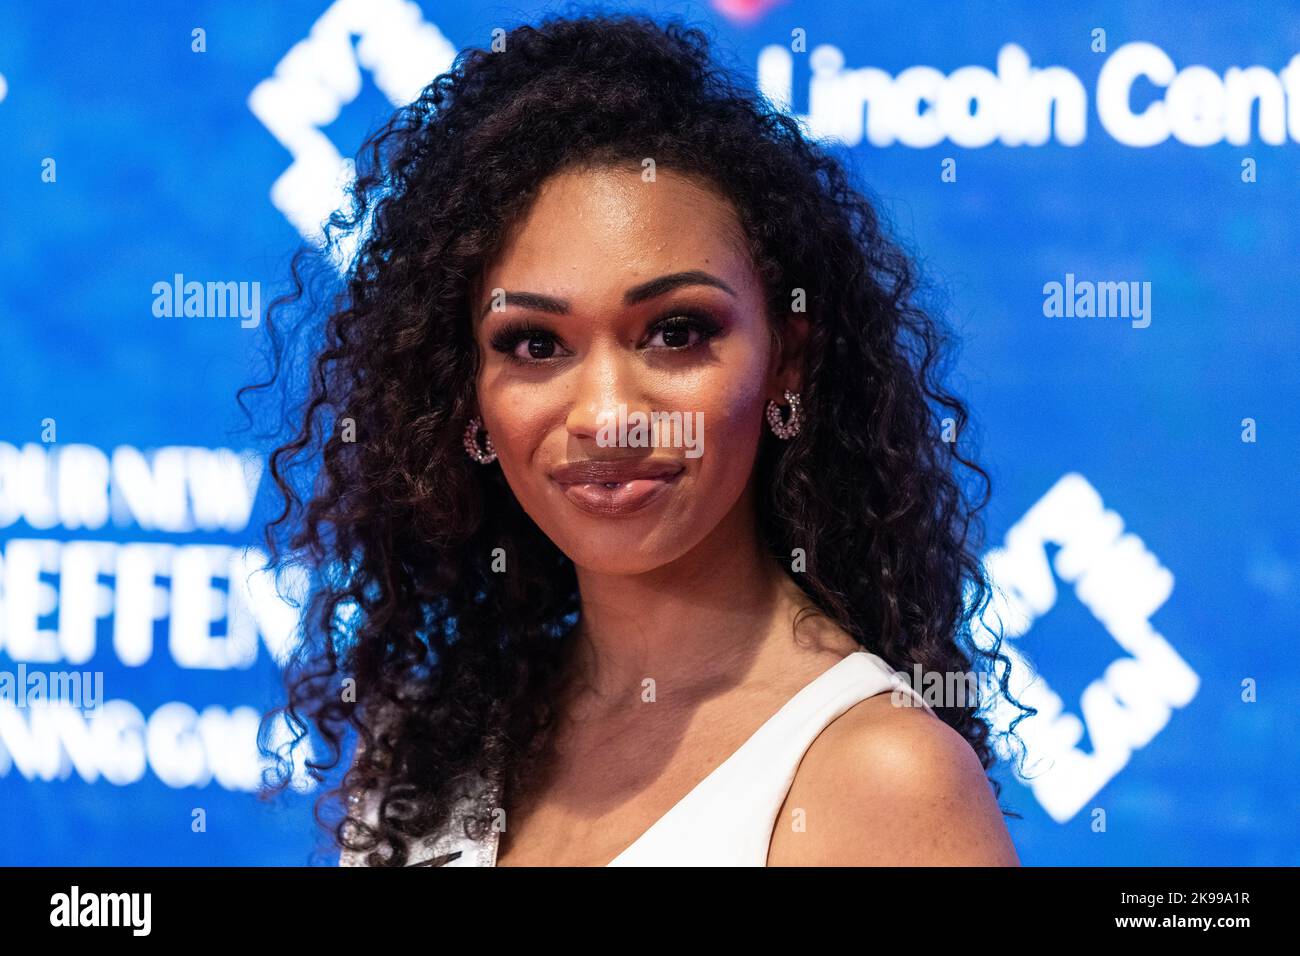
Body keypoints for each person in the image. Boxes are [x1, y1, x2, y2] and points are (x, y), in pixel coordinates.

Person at [248, 12, 1029, 867]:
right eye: (535, 344)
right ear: (463, 389)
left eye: (676, 332)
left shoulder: (879, 777)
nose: (608, 414)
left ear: (787, 362)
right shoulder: (430, 745)